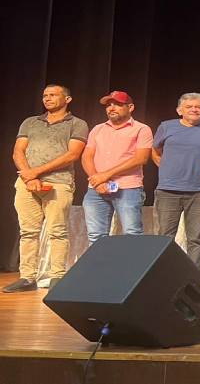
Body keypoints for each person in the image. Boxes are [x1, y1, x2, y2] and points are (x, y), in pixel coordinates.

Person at [4, 85, 88, 293]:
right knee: (28, 231)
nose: (47, 99)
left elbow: (72, 155)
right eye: (44, 96)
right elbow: (18, 152)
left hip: (58, 182)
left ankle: (57, 276)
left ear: (67, 99)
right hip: (26, 183)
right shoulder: (30, 122)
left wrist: (36, 172)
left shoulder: (77, 124)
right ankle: (27, 277)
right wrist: (28, 175)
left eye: (53, 95)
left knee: (57, 231)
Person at [152, 92, 200, 268]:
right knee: (165, 236)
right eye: (189, 106)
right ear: (179, 110)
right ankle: (164, 271)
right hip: (168, 190)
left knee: (195, 238)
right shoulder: (166, 127)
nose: (194, 109)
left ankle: (194, 274)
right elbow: (155, 150)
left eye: (198, 107)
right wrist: (166, 168)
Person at [81, 91, 153, 245]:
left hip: (128, 188)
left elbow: (141, 158)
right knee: (95, 236)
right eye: (108, 105)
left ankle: (133, 270)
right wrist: (97, 180)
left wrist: (104, 175)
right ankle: (100, 269)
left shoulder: (141, 129)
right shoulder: (98, 129)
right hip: (96, 189)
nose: (111, 108)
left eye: (118, 104)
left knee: (132, 233)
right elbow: (86, 157)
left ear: (130, 107)